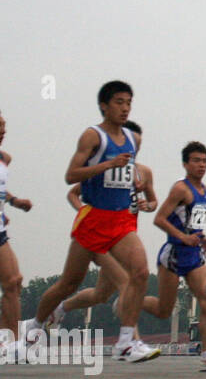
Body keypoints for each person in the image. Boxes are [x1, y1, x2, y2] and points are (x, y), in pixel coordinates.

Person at [28, 83, 160, 362]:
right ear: (104, 105)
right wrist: (106, 166)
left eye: (129, 103)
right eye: (119, 102)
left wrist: (139, 197)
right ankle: (35, 326)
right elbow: (71, 175)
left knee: (138, 273)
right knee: (68, 283)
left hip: (122, 221)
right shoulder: (93, 136)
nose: (125, 108)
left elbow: (133, 188)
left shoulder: (132, 140)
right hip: (94, 219)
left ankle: (126, 343)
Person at [47, 121, 154, 326]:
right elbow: (73, 193)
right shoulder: (108, 166)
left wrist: (146, 205)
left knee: (100, 295)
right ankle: (129, 341)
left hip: (125, 235)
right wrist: (85, 210)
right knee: (126, 282)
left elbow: (154, 202)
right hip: (100, 235)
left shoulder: (144, 172)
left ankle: (61, 308)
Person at [140, 141, 206, 372]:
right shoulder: (180, 188)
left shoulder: (205, 191)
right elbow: (160, 219)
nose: (201, 165)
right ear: (186, 163)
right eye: (196, 160)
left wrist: (202, 238)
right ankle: (133, 300)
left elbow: (192, 223)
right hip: (174, 255)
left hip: (194, 256)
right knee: (163, 310)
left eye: (205, 160)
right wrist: (183, 237)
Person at [0, 110, 34, 361]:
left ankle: (9, 343)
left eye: (4, 128)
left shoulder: (4, 158)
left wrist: (13, 202)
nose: (2, 132)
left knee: (14, 281)